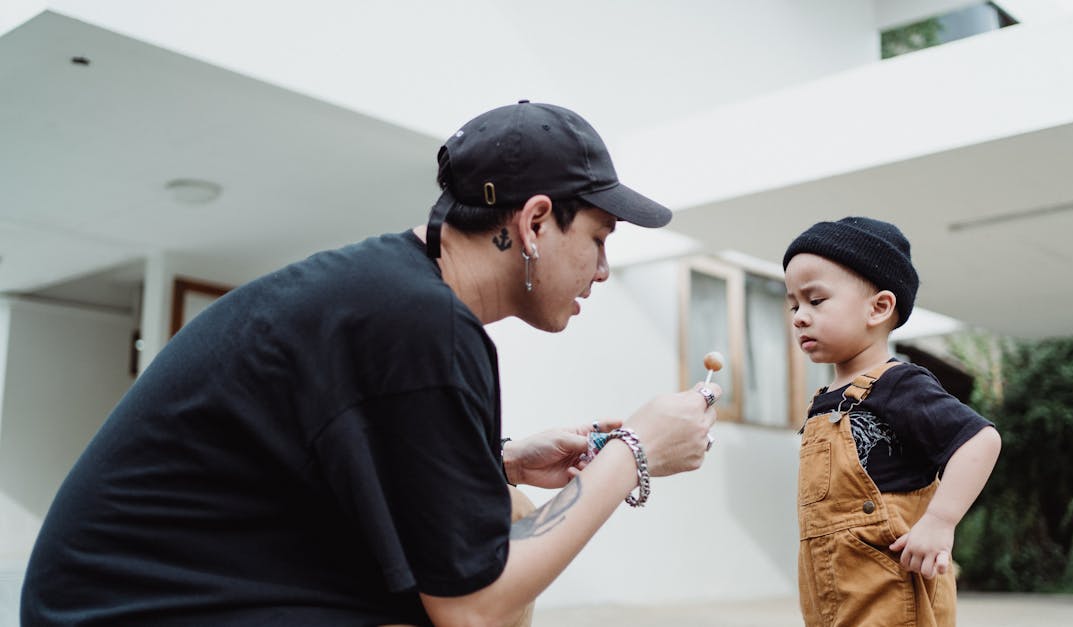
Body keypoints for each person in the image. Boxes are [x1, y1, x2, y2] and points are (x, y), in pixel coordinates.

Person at [21, 100, 721, 627]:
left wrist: (498, 458)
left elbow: (312, 458)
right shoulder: (418, 320)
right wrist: (632, 450)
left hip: (115, 602)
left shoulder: (391, 292)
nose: (603, 269)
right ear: (535, 222)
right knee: (488, 560)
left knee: (498, 501)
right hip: (128, 612)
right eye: (598, 238)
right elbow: (472, 606)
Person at [783, 216, 1001, 626]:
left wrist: (939, 521)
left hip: (891, 596)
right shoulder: (825, 401)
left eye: (816, 300)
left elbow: (980, 441)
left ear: (879, 307)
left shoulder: (898, 383)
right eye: (794, 304)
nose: (799, 316)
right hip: (833, 595)